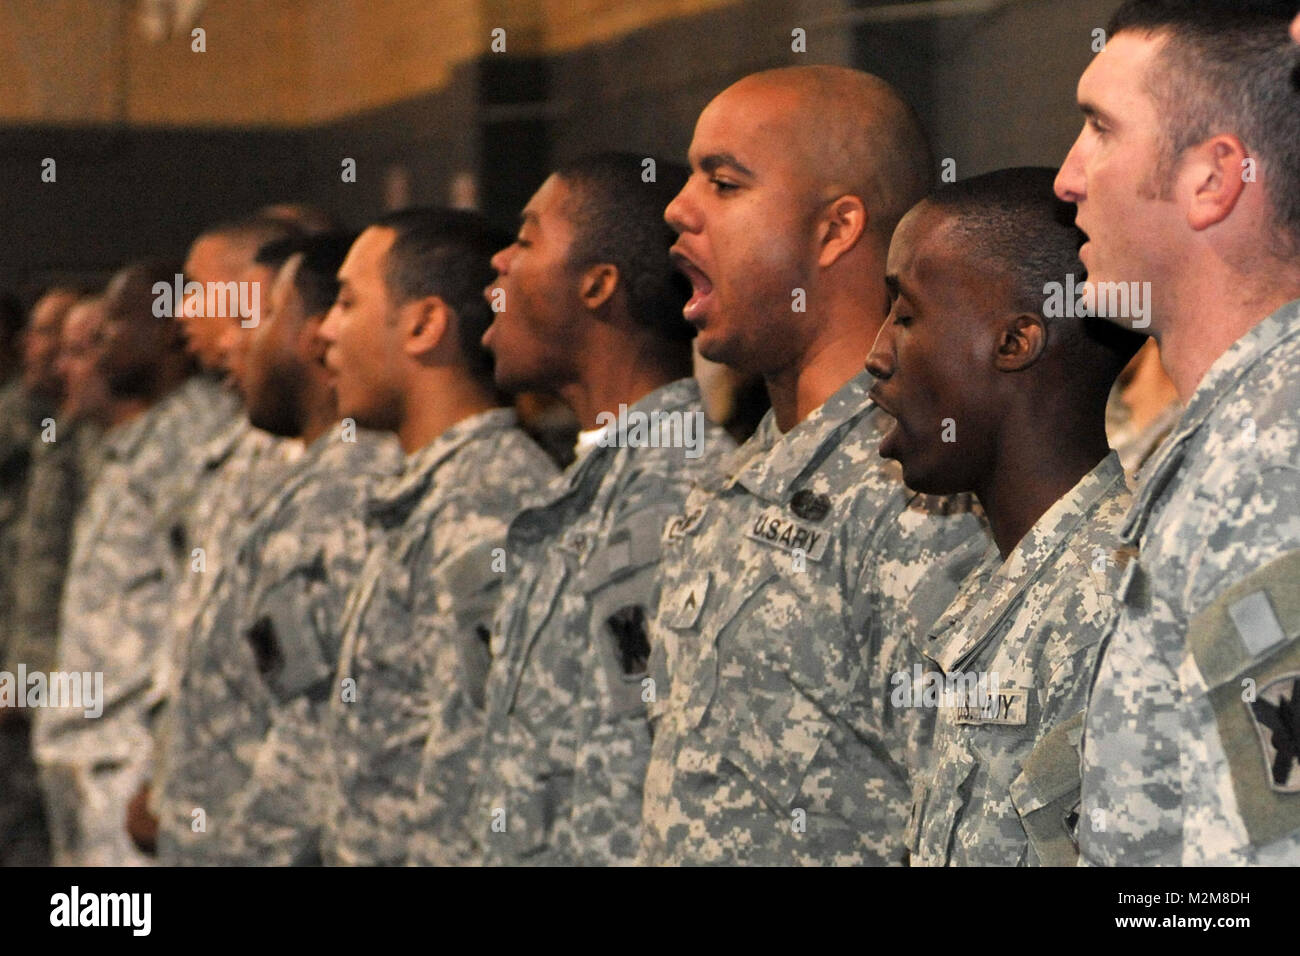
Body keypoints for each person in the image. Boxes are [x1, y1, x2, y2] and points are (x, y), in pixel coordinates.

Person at [638, 65, 988, 866]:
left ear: (836, 230)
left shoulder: (919, 496)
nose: (677, 209)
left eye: (723, 184)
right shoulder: (734, 481)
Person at [1055, 0, 1300, 865]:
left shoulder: (1276, 454)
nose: (1067, 178)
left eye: (1099, 129)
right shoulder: (1226, 436)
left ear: (1214, 179)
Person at [866, 167, 1145, 865]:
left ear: (1016, 342)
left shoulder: (1114, 606)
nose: (875, 355)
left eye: (905, 316)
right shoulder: (998, 594)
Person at [472, 153, 732, 866]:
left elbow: (626, 800)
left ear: (597, 285)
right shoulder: (590, 484)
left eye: (525, 240)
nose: (497, 261)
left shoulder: (674, 494)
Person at [320, 209, 557, 866]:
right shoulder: (430, 492)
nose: (324, 333)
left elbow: (476, 782)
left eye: (346, 302)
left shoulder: (484, 505)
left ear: (424, 325)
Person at [157, 233, 401, 865]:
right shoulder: (301, 475)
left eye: (260, 316)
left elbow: (314, 722)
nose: (241, 339)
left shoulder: (354, 487)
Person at [134, 216, 305, 854]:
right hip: (201, 788)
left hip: (255, 813)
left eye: (198, 288)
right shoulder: (239, 440)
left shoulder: (326, 465)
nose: (180, 310)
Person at [32, 262, 198, 866]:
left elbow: (192, 621)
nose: (101, 348)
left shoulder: (193, 449)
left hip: (129, 762)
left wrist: (161, 770)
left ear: (171, 327)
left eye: (116, 325)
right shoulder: (130, 448)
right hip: (89, 760)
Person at [0, 289, 93, 866]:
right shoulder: (33, 427)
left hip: (61, 684)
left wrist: (24, 673)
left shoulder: (88, 441)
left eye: (51, 336)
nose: (35, 349)